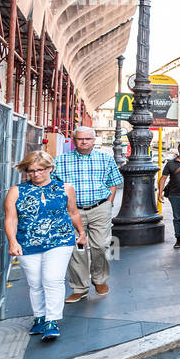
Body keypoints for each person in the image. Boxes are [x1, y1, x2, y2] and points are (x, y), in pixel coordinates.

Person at [4, 151, 86, 340]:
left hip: (60, 240)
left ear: (50, 169)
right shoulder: (16, 191)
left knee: (52, 279)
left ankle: (52, 320)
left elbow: (73, 213)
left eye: (40, 170)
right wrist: (13, 241)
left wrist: (81, 232)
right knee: (35, 283)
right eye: (30, 171)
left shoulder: (65, 188)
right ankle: (39, 317)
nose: (35, 174)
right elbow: (10, 219)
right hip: (28, 242)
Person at [53, 125, 123, 303]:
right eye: (80, 139)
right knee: (77, 249)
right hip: (72, 211)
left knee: (101, 245)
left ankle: (99, 280)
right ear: (74, 140)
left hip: (100, 208)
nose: (84, 142)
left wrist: (109, 203)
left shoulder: (105, 159)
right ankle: (79, 287)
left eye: (88, 139)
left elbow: (113, 182)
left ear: (94, 140)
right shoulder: (60, 160)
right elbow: (53, 186)